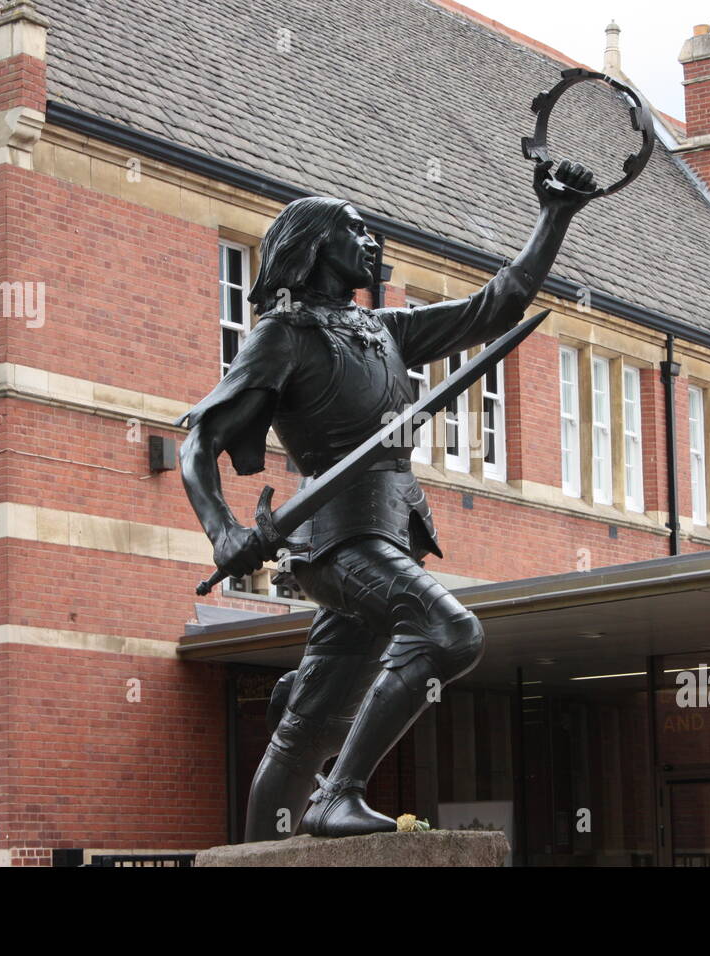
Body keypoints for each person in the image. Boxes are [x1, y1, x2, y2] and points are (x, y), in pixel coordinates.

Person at [177, 160, 596, 839]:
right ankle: (337, 793)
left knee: (309, 720)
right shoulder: (283, 336)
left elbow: (498, 305)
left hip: (390, 530)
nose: (370, 242)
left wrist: (555, 217)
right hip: (335, 539)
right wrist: (224, 533)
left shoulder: (383, 330)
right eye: (355, 231)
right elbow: (200, 442)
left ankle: (260, 842)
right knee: (450, 632)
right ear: (313, 247)